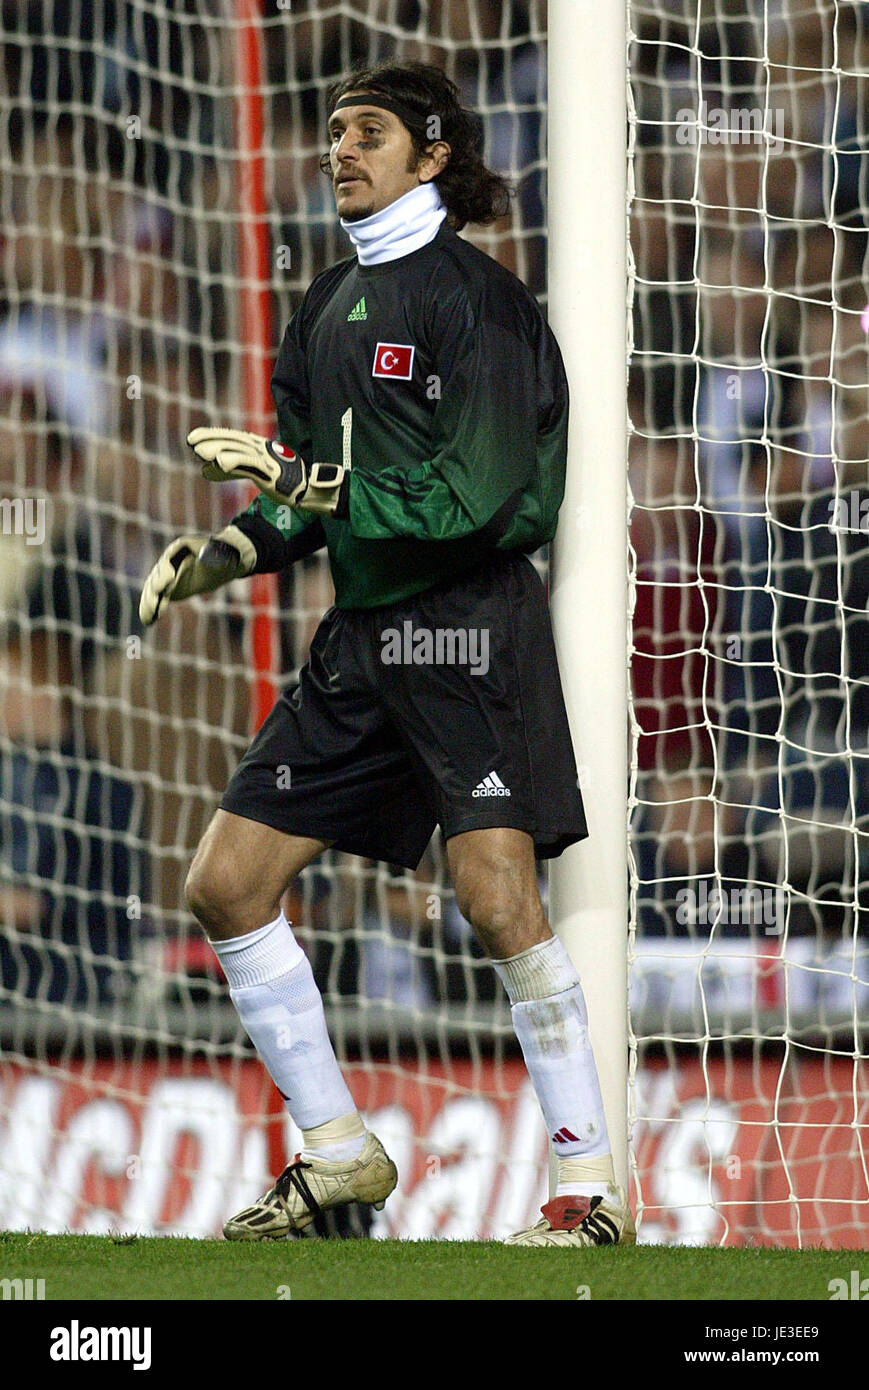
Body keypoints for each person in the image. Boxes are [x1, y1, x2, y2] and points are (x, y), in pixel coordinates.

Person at [139, 60, 634, 1249]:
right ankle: (338, 1152)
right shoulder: (322, 306)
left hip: (465, 626)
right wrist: (229, 547)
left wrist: (308, 484)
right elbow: (307, 497)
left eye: (366, 132)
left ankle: (587, 1192)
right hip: (361, 638)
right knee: (225, 883)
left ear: (432, 154)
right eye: (330, 133)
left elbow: (483, 499)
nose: (338, 151)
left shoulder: (483, 305)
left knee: (495, 894)